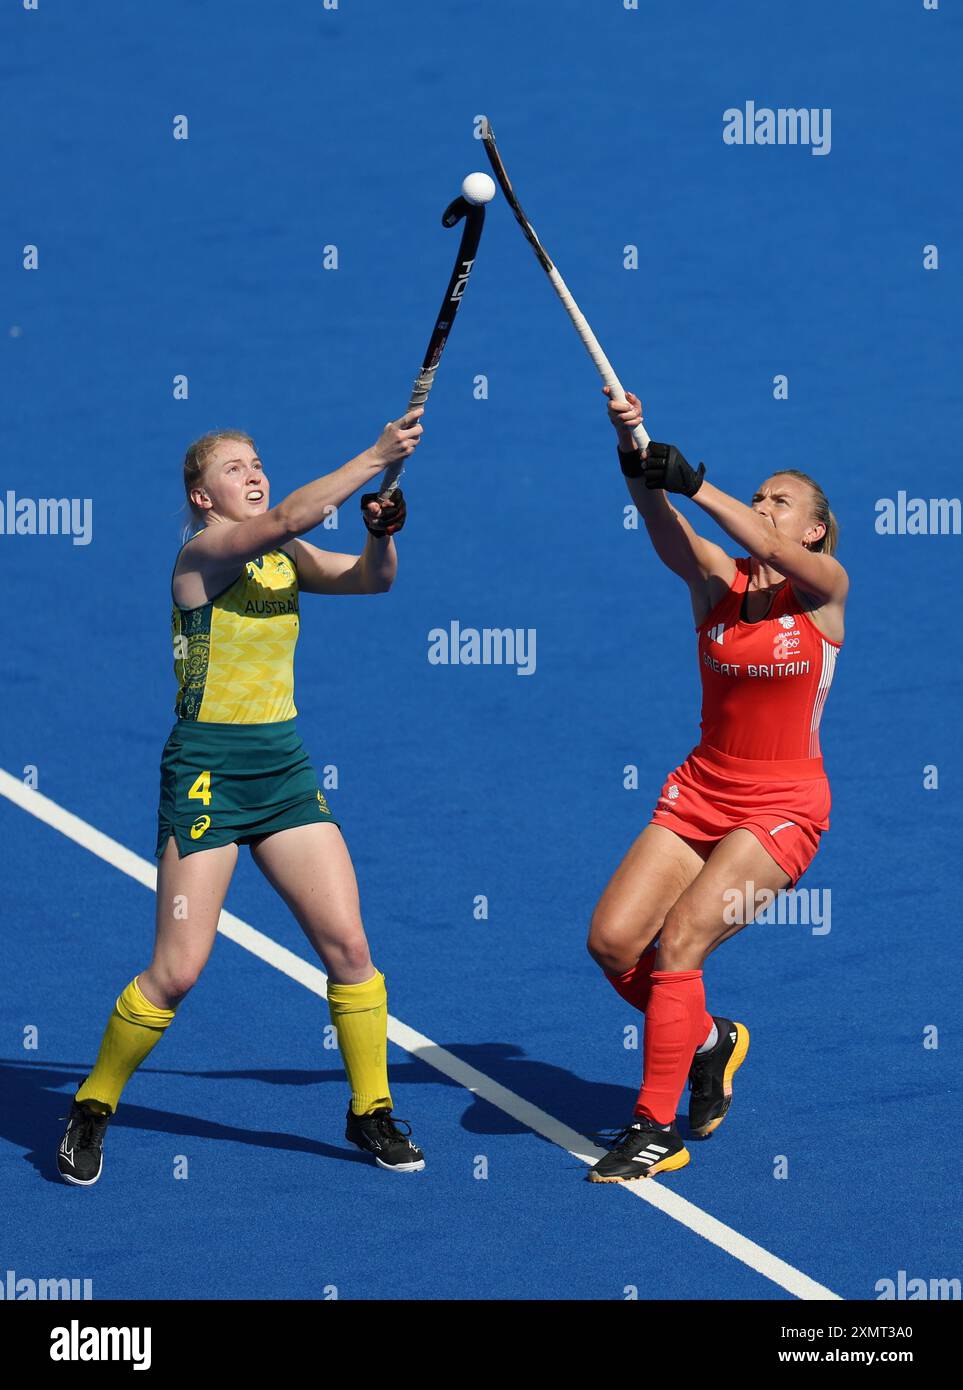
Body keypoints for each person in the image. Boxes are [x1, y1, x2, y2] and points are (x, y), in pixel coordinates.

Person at [57, 411, 428, 1184]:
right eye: (234, 469)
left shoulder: (283, 553)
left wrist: (382, 532)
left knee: (350, 948)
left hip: (284, 773)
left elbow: (370, 580)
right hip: (206, 777)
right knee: (178, 970)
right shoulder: (201, 557)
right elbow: (294, 511)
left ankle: (371, 1110)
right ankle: (91, 1105)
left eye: (257, 462)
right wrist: (374, 454)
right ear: (201, 496)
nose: (253, 475)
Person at [586, 389, 846, 1182]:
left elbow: (703, 506)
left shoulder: (825, 589)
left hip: (782, 808)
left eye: (781, 501)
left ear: (812, 529)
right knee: (612, 942)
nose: (765, 506)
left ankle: (652, 1127)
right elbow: (665, 525)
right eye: (758, 494)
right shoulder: (716, 585)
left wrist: (696, 484)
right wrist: (634, 449)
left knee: (681, 944)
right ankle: (709, 1040)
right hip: (701, 790)